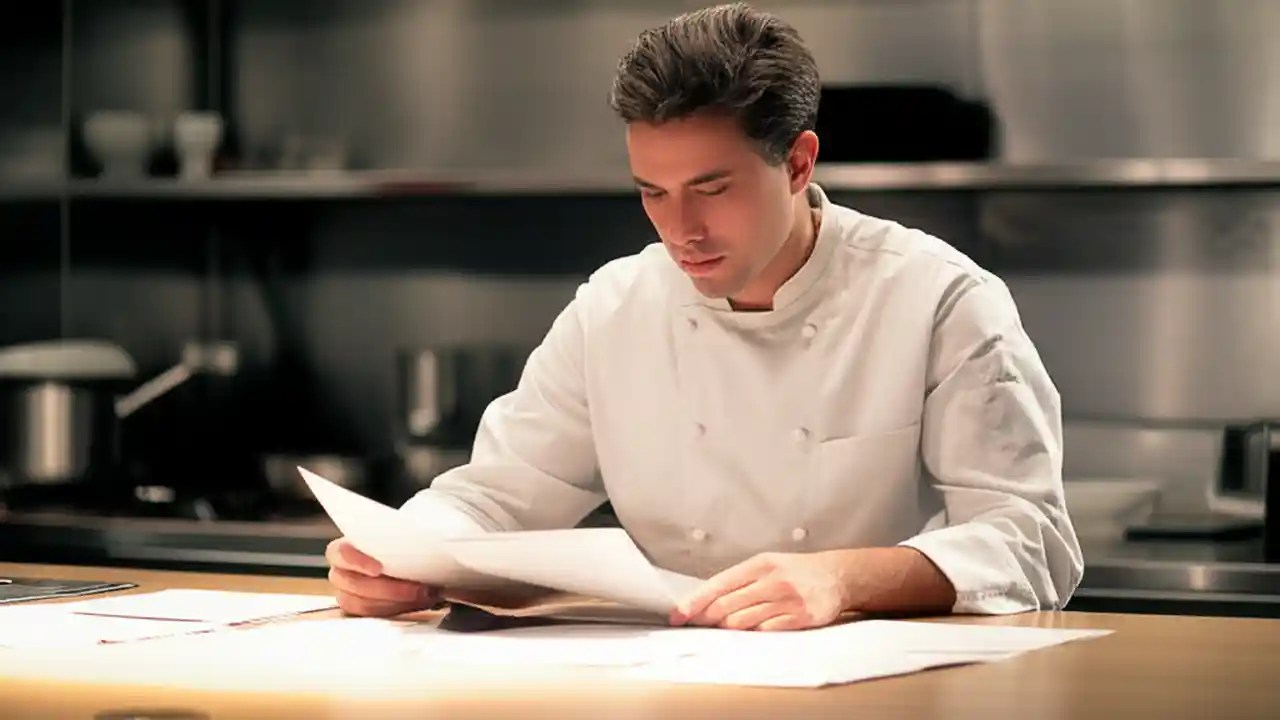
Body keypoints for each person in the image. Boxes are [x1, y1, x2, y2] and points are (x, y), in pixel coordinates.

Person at [326, 2, 1083, 631]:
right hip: (672, 676)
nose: (678, 229)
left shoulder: (939, 299)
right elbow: (495, 495)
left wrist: (843, 580)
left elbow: (1030, 541)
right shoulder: (615, 308)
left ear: (797, 162)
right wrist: (403, 553)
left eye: (711, 188)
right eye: (652, 191)